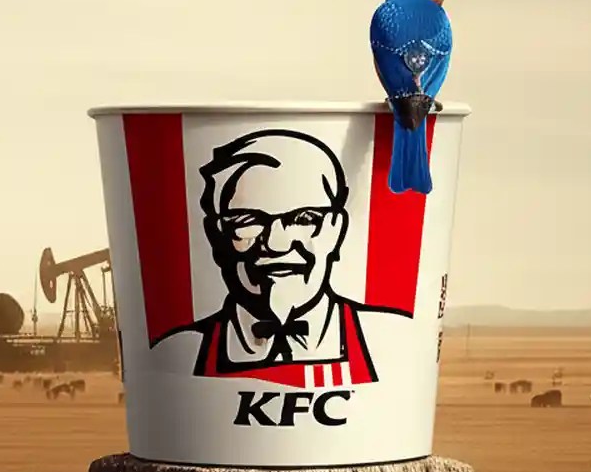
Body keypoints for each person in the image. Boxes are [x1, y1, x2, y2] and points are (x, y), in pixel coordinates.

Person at [152, 129, 407, 388]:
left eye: (304, 219)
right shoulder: (178, 352)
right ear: (216, 236)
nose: (276, 243)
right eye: (248, 220)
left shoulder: (393, 340)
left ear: (336, 231)